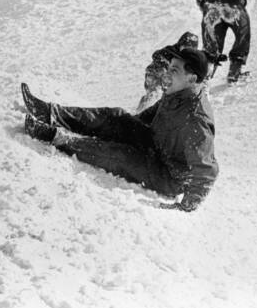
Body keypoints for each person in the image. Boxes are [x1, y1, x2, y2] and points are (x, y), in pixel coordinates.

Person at [22, 47, 218, 212]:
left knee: (120, 155)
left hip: (168, 175)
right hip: (155, 144)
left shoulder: (196, 118)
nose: (167, 74)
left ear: (192, 79)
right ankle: (49, 113)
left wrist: (186, 207)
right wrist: (123, 127)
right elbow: (152, 114)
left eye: (174, 70)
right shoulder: (179, 92)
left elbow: (206, 171)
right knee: (115, 116)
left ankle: (55, 137)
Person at [136, 31, 199, 112]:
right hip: (154, 74)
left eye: (189, 49)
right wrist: (165, 67)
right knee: (155, 94)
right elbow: (157, 55)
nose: (185, 51)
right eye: (184, 47)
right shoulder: (170, 52)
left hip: (165, 77)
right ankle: (141, 111)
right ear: (180, 45)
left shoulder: (190, 58)